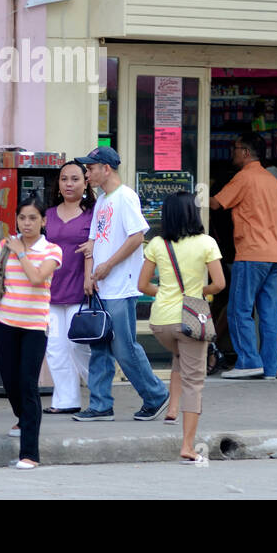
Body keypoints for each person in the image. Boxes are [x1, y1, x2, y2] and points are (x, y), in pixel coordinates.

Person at [72, 146, 170, 423]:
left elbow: (137, 237)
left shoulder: (125, 197)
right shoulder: (103, 200)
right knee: (99, 347)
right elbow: (93, 242)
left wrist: (108, 266)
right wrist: (90, 275)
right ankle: (101, 405)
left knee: (124, 347)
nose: (87, 173)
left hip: (121, 286)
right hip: (103, 287)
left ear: (107, 168)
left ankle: (155, 395)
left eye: (90, 168)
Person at [0, 195, 61, 469]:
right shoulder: (4, 247)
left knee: (28, 384)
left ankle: (29, 453)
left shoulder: (52, 250)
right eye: (22, 218)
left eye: (33, 218)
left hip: (34, 326)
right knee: (9, 380)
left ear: (43, 221)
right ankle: (24, 419)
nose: (27, 223)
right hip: (6, 322)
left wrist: (21, 251)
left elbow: (36, 278)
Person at [138, 192, 225, 462]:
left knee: (181, 357)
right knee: (194, 382)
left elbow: (143, 286)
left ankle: (172, 409)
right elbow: (219, 284)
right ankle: (187, 446)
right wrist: (199, 292)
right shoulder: (206, 243)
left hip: (161, 322)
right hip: (190, 320)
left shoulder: (156, 244)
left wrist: (165, 293)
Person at [209, 132, 277, 380]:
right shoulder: (272, 180)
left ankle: (248, 362)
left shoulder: (244, 177)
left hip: (252, 253)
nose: (232, 153)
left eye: (235, 148)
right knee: (268, 315)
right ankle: (270, 368)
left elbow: (216, 204)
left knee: (238, 310)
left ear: (244, 152)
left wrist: (196, 192)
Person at [40, 161, 94, 414]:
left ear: (85, 183)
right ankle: (66, 401)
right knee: (55, 348)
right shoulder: (47, 214)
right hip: (50, 292)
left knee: (79, 347)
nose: (69, 184)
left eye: (74, 179)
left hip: (80, 292)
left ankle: (99, 396)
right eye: (64, 179)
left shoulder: (92, 214)